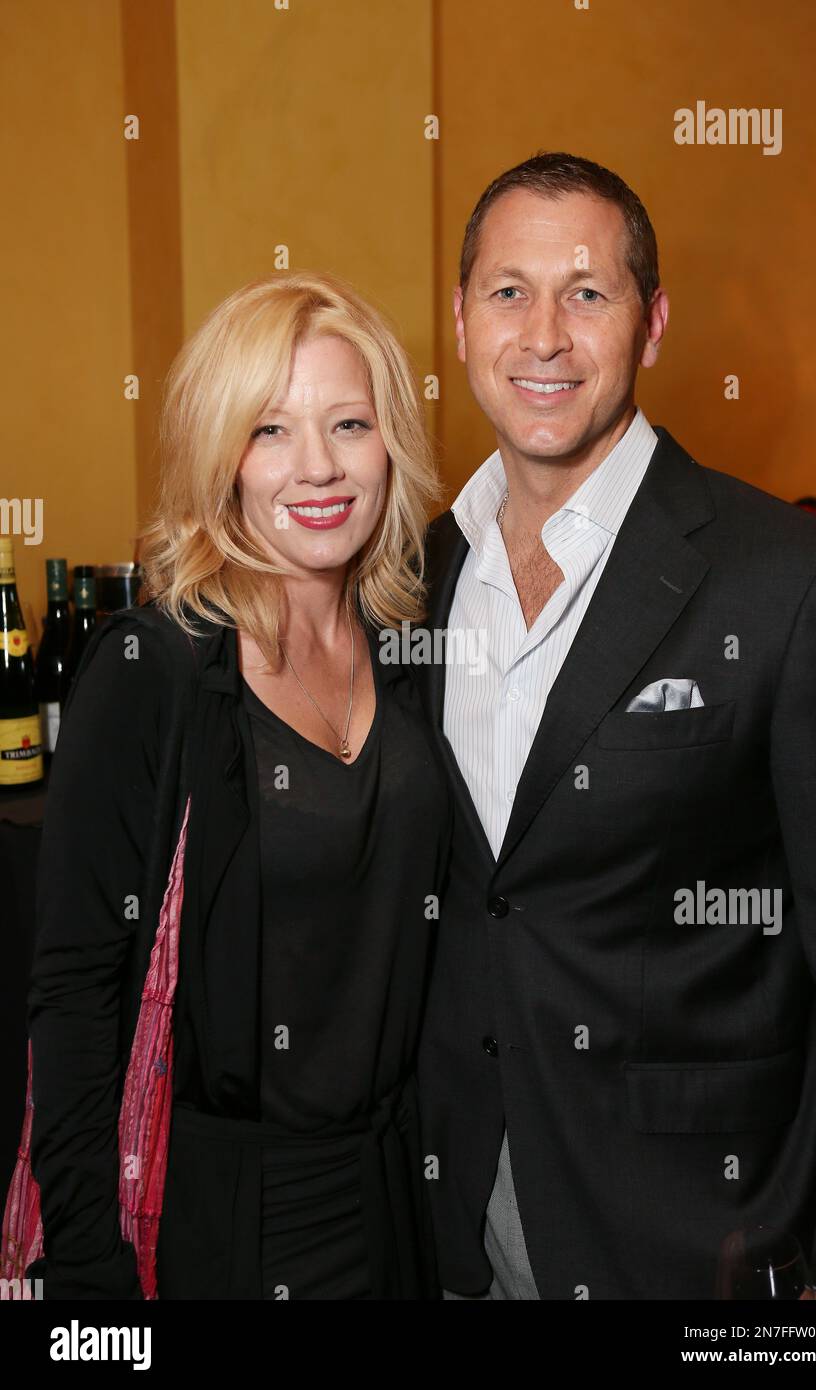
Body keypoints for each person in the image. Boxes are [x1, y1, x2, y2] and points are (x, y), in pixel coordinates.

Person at [415, 152, 816, 1300]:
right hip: (452, 1216)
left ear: (652, 323)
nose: (543, 336)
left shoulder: (790, 585)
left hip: (697, 1241)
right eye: (507, 292)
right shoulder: (414, 575)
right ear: (459, 319)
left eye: (587, 292)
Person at [24, 270, 451, 1299]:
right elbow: (75, 994)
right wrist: (90, 1265)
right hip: (221, 1217)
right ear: (221, 459)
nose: (317, 466)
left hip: (402, 1203)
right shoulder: (154, 673)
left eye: (349, 423)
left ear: (390, 441)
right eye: (269, 430)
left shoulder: (416, 650)